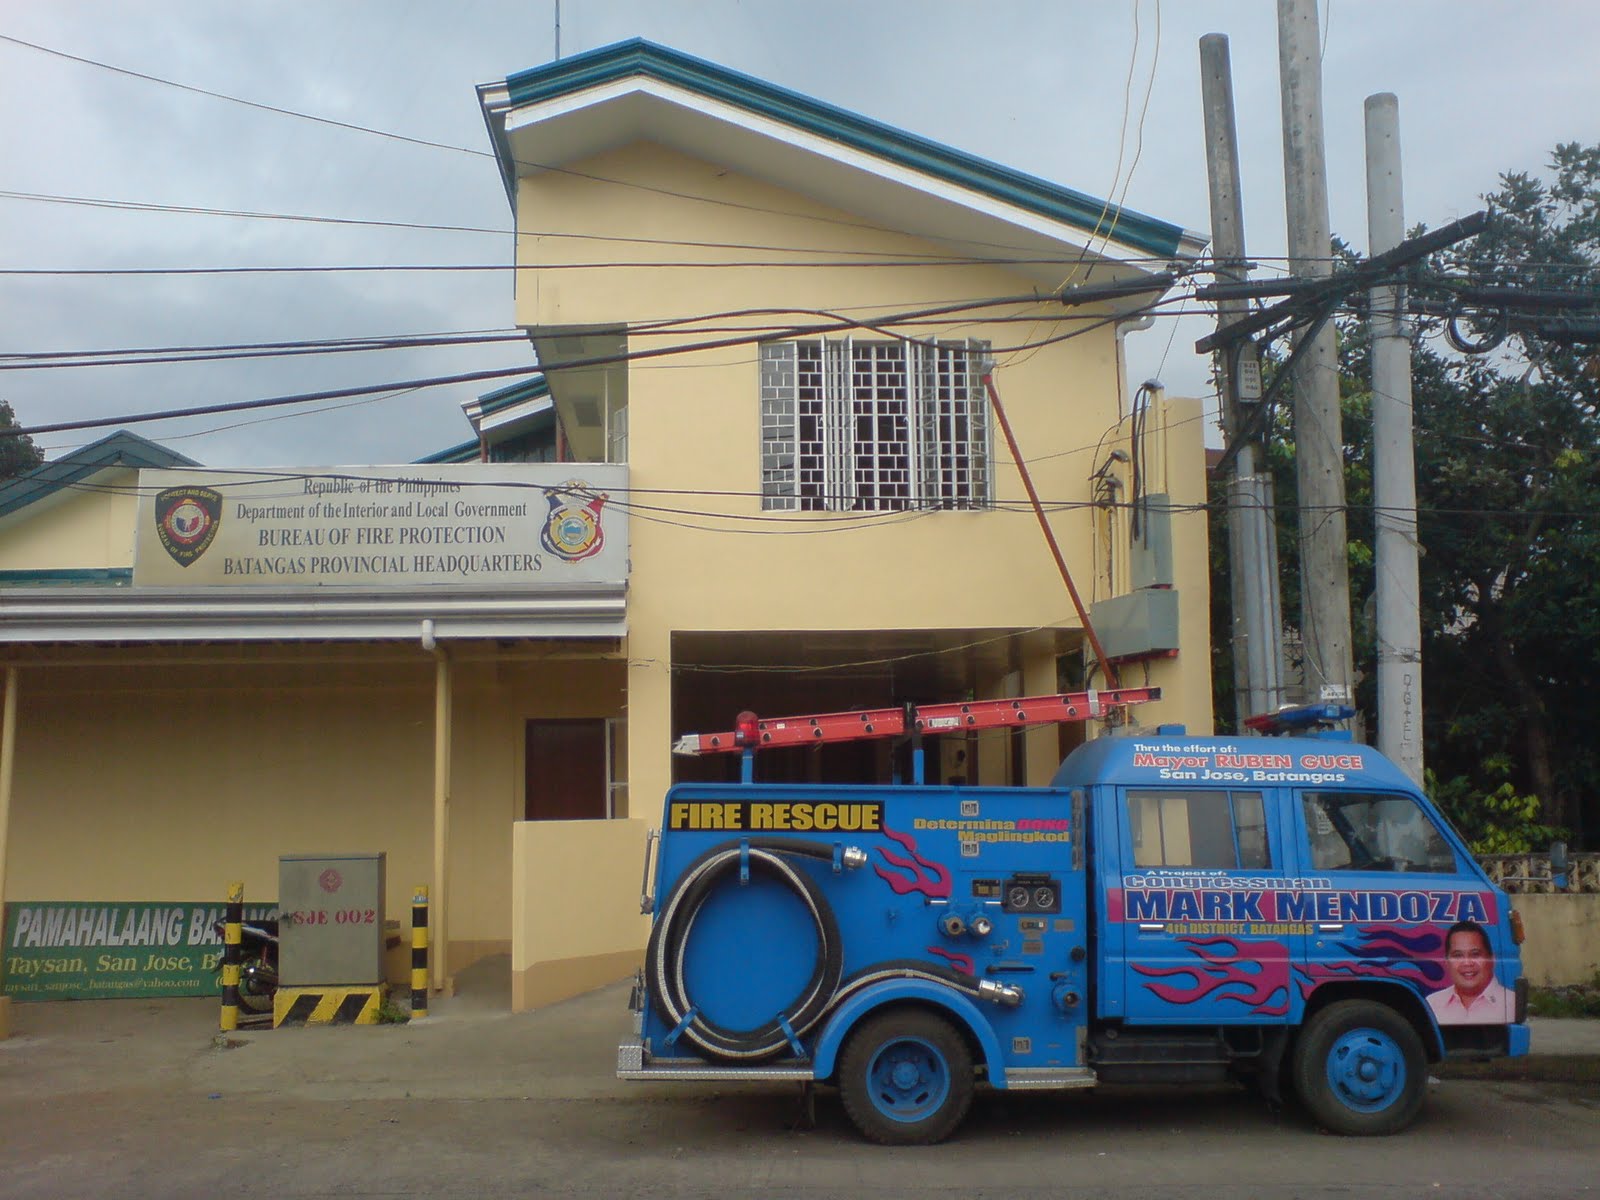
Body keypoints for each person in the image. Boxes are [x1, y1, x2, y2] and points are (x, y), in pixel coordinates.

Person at [1427, 920, 1509, 1025]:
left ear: (1491, 959)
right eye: (1458, 955)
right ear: (1447, 962)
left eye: (1475, 954)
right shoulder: (1432, 1003)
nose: (1467, 963)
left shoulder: (1510, 1002)